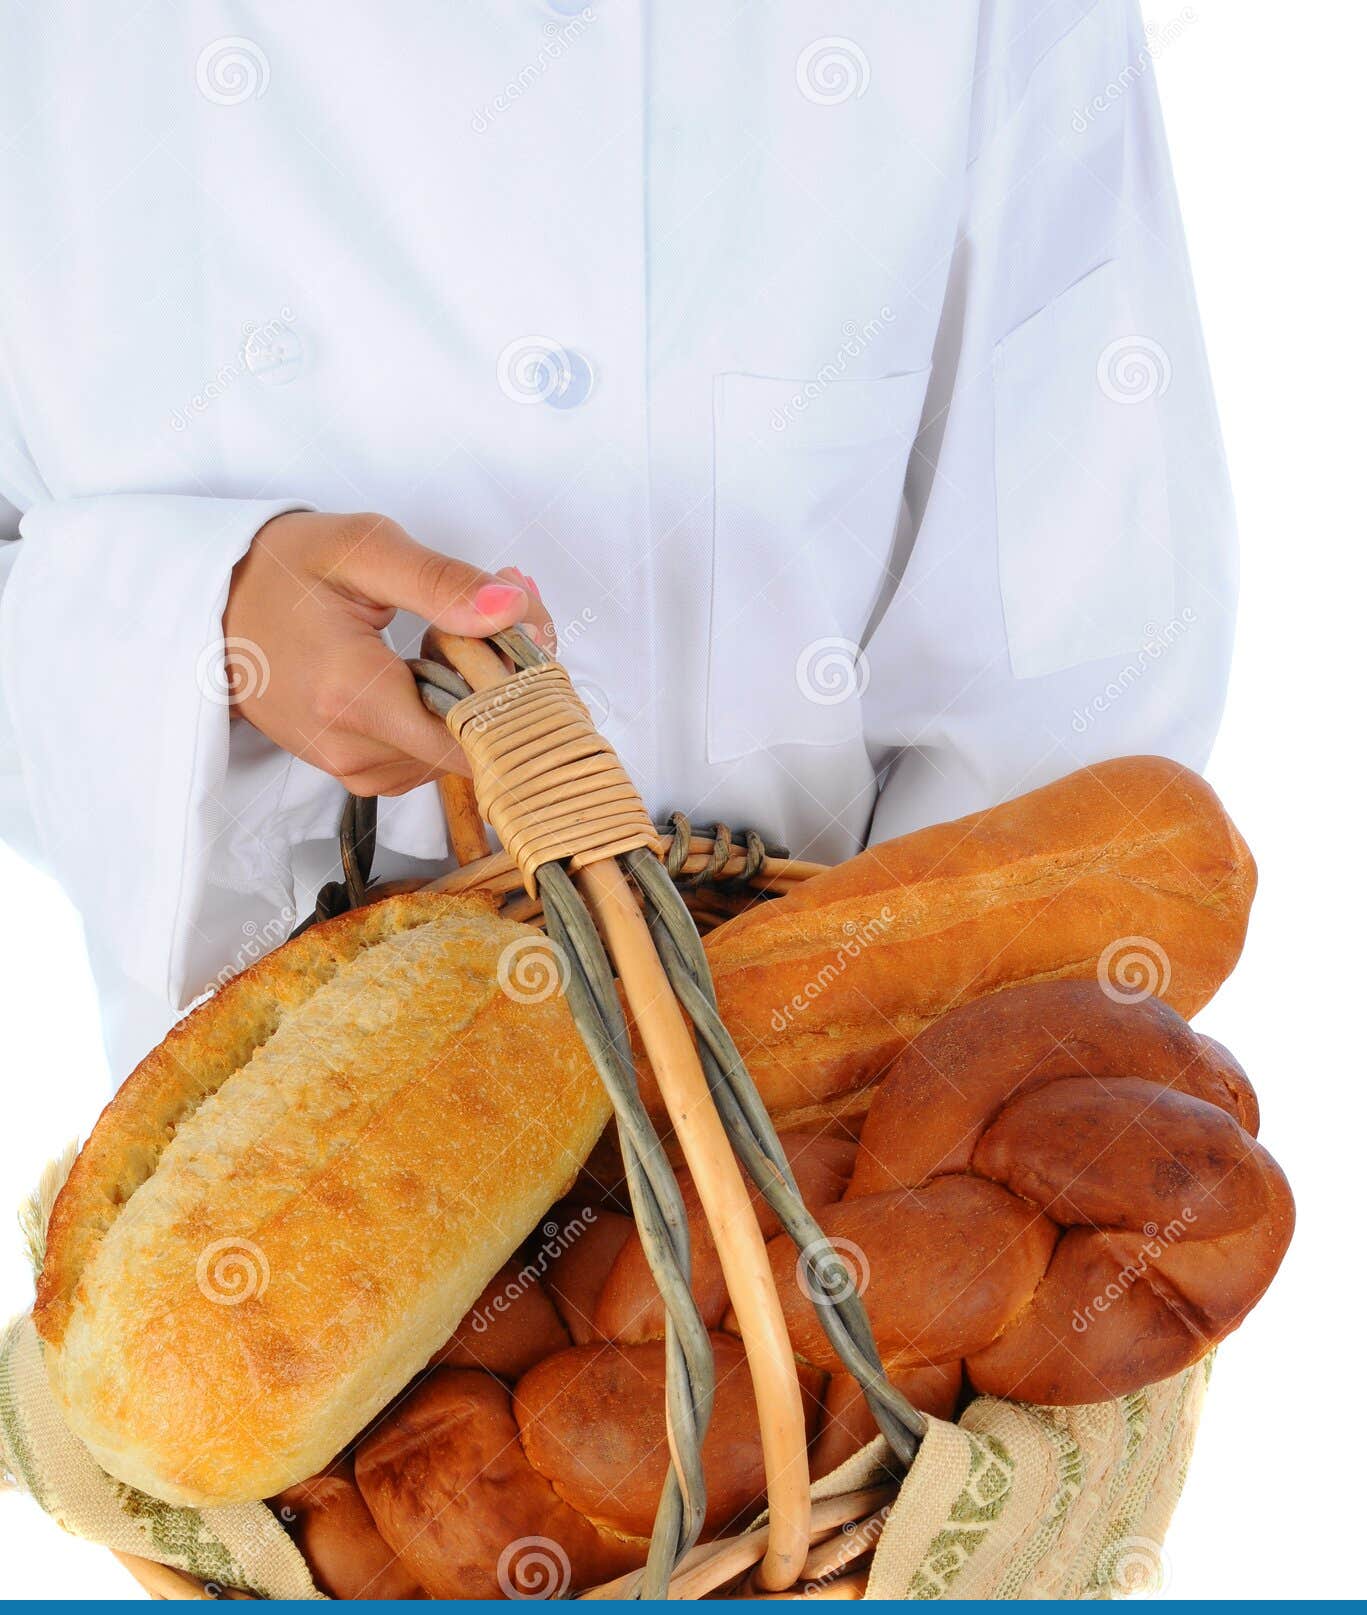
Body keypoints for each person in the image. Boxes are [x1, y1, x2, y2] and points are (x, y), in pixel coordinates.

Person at [0, 2, 1234, 1082]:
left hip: (828, 1141)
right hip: (281, 1140)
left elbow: (1080, 645)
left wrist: (837, 1112)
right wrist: (199, 621)